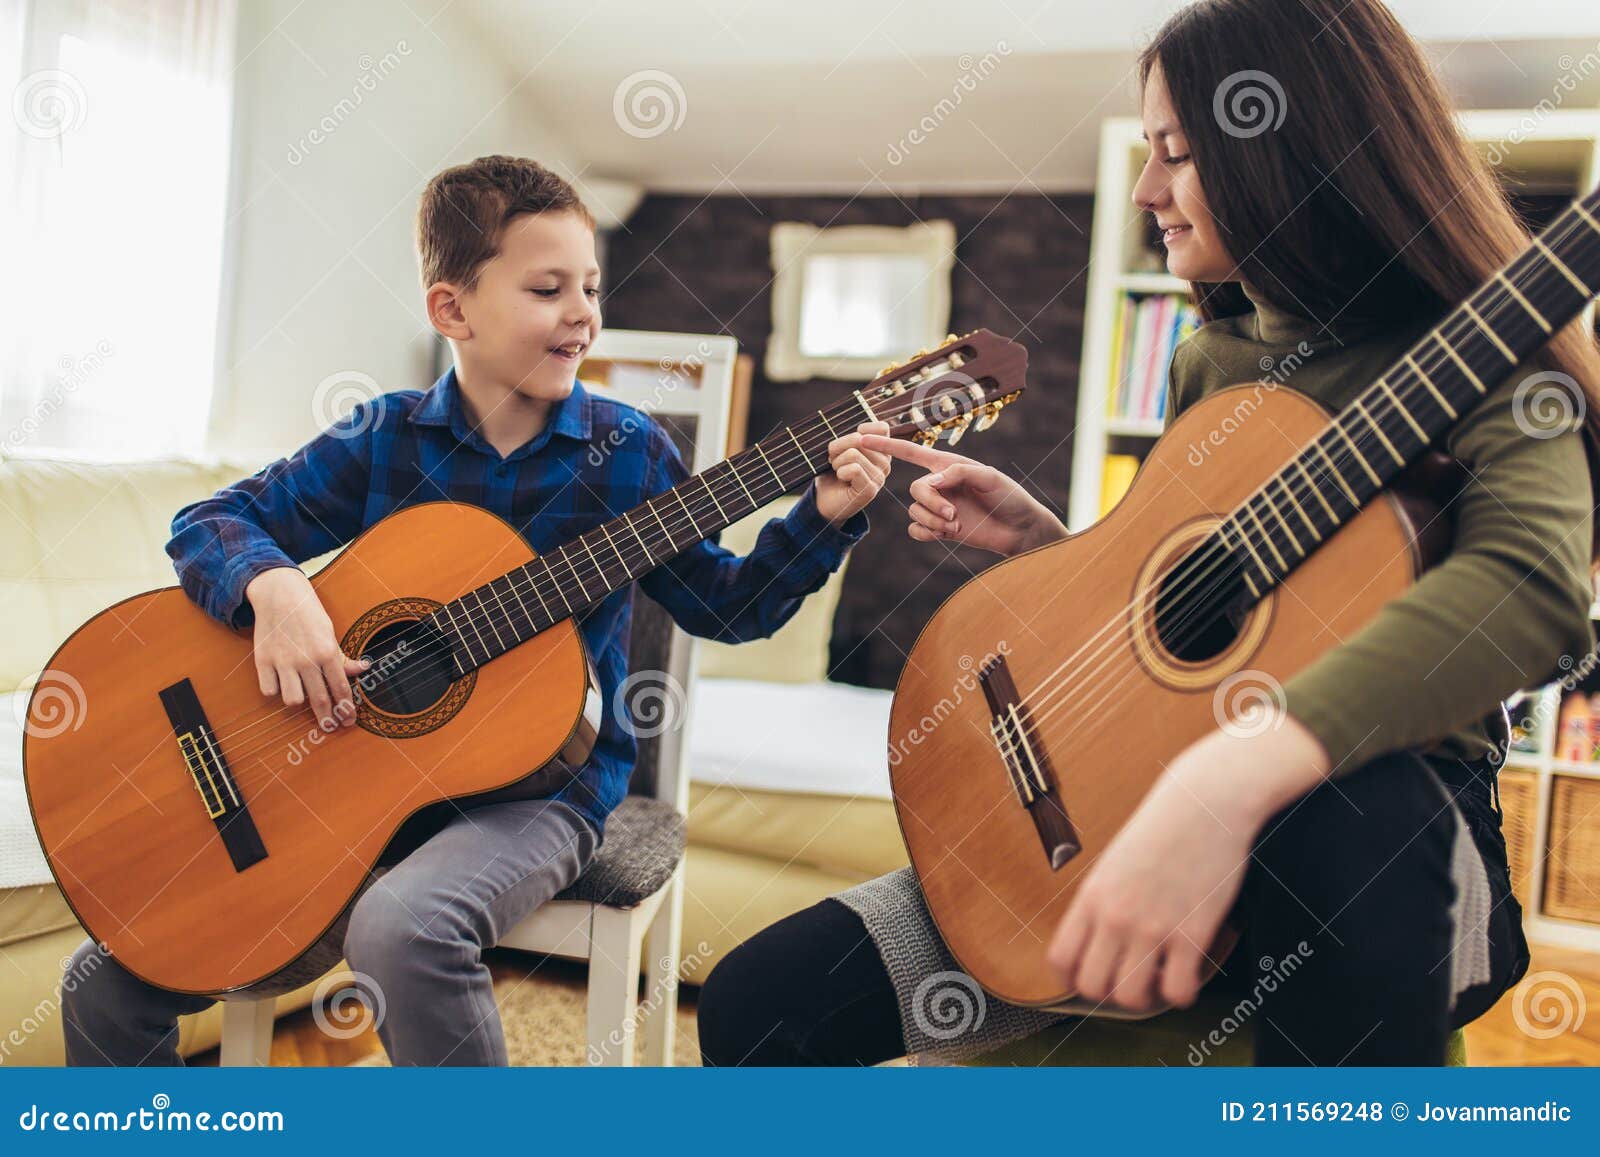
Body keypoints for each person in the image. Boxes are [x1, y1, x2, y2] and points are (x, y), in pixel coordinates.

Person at [697, 0, 1600, 1067]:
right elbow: (1215, 613)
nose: (1143, 189)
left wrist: (1229, 780)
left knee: (1352, 811)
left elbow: (1532, 595)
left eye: (1177, 152)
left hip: (1387, 858)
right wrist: (1051, 548)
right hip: (1135, 812)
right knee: (757, 1001)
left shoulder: (1503, 361)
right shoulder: (1209, 363)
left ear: (1288, 149)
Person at [62, 155, 891, 1066]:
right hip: (334, 785)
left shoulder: (628, 453)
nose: (584, 313)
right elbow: (210, 521)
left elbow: (728, 609)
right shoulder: (380, 436)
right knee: (98, 983)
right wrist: (276, 587)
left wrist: (822, 519)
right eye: (547, 288)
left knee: (402, 928)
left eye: (590, 286)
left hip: (538, 795)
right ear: (452, 309)